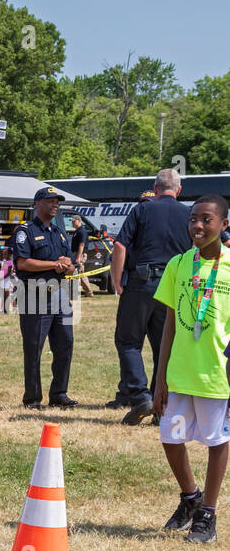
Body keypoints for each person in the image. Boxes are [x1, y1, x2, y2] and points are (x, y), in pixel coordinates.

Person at [152, 195, 230, 544]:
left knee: (217, 441)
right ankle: (190, 497)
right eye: (193, 219)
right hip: (180, 374)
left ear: (223, 225)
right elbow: (168, 323)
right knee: (171, 437)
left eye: (207, 220)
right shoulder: (179, 264)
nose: (198, 226)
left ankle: (208, 515)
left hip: (217, 374)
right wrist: (160, 377)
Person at [109, 169, 192, 424]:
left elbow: (120, 245)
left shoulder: (142, 210)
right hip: (174, 287)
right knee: (164, 346)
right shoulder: (189, 213)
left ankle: (140, 395)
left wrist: (116, 281)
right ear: (178, 191)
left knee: (128, 341)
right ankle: (161, 404)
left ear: (155, 189)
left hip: (142, 283)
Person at [12, 187, 77, 409]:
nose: (55, 205)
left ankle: (59, 394)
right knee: (34, 348)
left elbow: (70, 264)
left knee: (65, 345)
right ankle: (32, 398)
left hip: (60, 294)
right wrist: (54, 265)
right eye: (50, 201)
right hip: (34, 295)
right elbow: (23, 263)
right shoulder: (26, 231)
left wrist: (68, 266)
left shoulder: (59, 233)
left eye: (57, 201)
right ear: (37, 204)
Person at [70, 215, 96, 298]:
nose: (72, 222)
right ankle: (89, 292)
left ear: (79, 221)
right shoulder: (77, 231)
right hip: (76, 253)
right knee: (81, 273)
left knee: (78, 273)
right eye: (72, 221)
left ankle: (78, 293)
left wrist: (78, 257)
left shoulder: (82, 231)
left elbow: (81, 245)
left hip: (79, 254)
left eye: (74, 221)